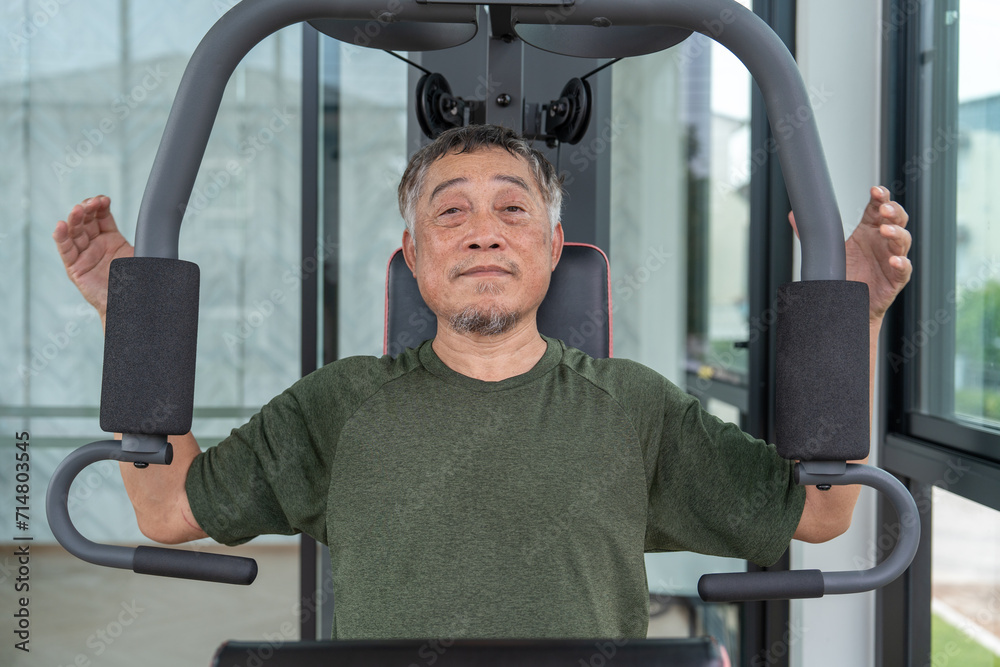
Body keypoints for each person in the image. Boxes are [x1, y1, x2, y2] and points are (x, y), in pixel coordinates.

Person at [54, 124, 912, 639]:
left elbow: (823, 510)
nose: (482, 232)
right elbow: (168, 510)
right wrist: (126, 319)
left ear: (551, 244)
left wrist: (858, 318)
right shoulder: (340, 402)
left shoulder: (633, 405)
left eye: (512, 209)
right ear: (414, 256)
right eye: (450, 211)